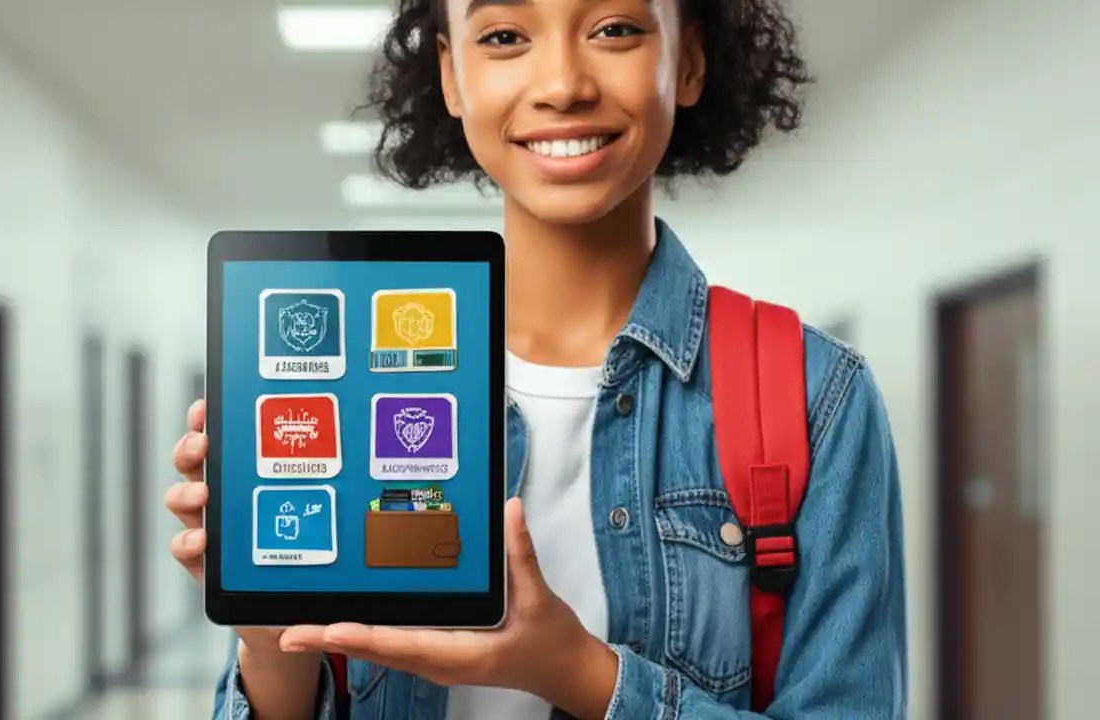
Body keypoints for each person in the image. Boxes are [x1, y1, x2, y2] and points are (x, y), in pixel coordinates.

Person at [166, 0, 907, 717]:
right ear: (452, 76)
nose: (562, 85)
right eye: (504, 36)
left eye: (614, 28)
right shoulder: (355, 385)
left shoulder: (813, 395)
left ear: (690, 59)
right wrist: (272, 646)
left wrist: (579, 676)